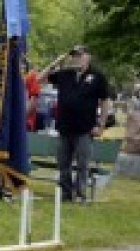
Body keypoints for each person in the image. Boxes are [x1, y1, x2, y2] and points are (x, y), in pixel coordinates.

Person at [39, 44, 113, 203]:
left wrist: (101, 124)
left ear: (88, 57)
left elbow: (105, 101)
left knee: (82, 164)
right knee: (63, 163)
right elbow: (40, 79)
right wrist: (55, 63)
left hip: (84, 128)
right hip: (65, 126)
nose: (77, 58)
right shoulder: (65, 74)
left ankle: (80, 194)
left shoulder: (97, 77)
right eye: (74, 56)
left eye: (80, 55)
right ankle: (66, 194)